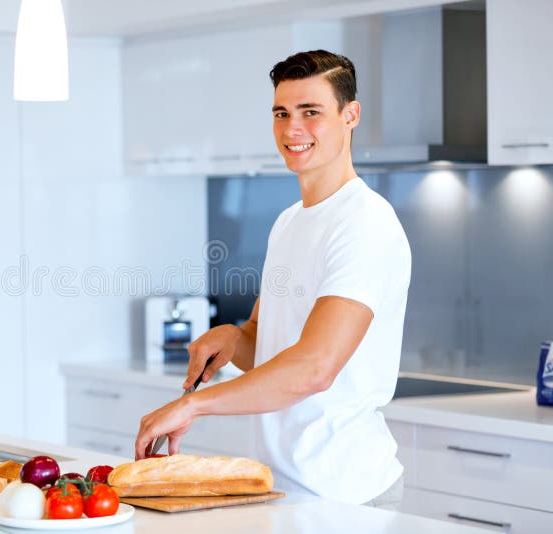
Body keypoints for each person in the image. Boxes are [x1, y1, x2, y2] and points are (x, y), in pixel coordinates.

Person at [134, 50, 411, 508]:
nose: (291, 129)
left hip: (346, 494)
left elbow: (314, 367)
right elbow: (265, 341)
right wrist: (233, 337)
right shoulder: (288, 222)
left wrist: (192, 405)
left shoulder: (365, 223)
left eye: (311, 113)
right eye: (281, 113)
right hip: (281, 485)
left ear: (351, 115)